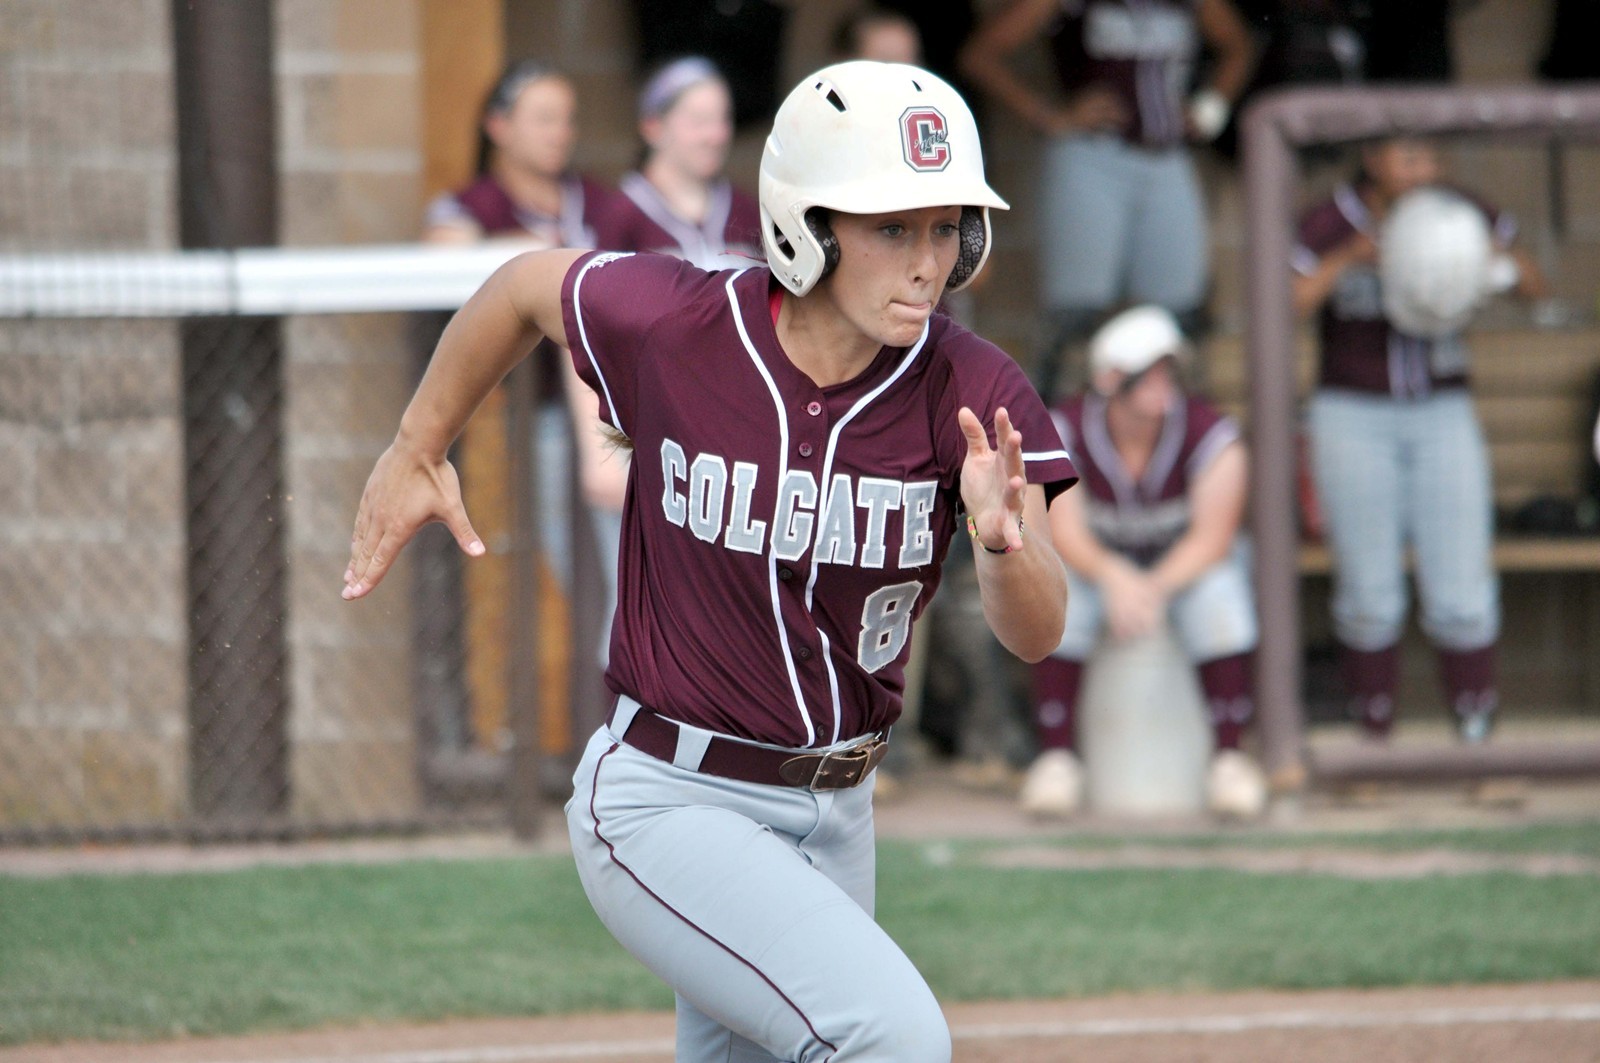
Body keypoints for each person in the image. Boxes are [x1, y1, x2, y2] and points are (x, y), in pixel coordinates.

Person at [343, 60, 1077, 1060]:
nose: (927, 263)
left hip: (838, 811)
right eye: (891, 228)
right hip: (669, 799)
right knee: (891, 1037)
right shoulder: (684, 324)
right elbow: (520, 286)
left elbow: (1038, 635)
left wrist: (1002, 544)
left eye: (947, 228)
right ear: (806, 226)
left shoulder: (970, 384)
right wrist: (417, 446)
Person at [1293, 137, 1548, 744]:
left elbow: (1535, 287)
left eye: (1432, 158)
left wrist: (1491, 258)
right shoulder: (1332, 219)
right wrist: (1348, 260)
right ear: (1374, 158)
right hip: (1353, 410)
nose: (1425, 171)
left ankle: (1476, 736)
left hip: (1442, 408)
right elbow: (1287, 301)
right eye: (1410, 158)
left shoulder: (1460, 209)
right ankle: (1373, 742)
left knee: (1461, 588)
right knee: (1368, 593)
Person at [1019, 305, 1263, 818]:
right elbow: (1063, 533)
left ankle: (1229, 757)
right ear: (1110, 380)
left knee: (1220, 595)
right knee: (1056, 597)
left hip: (1179, 569)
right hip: (1097, 568)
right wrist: (1115, 577)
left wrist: (1148, 588)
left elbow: (1212, 539)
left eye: (1166, 371)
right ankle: (1057, 756)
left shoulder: (1208, 432)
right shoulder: (1065, 427)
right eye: (1146, 374)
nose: (1160, 385)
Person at [959, 0, 1257, 402]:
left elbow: (1238, 44)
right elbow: (980, 55)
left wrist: (1211, 107)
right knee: (1076, 317)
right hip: (1092, 154)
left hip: (1168, 157)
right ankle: (1065, 445)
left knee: (1177, 314)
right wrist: (1049, 115)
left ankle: (1173, 447)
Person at [590, 55, 763, 271]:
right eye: (699, 120)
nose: (717, 135)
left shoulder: (746, 210)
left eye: (723, 118)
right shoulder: (620, 216)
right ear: (653, 127)